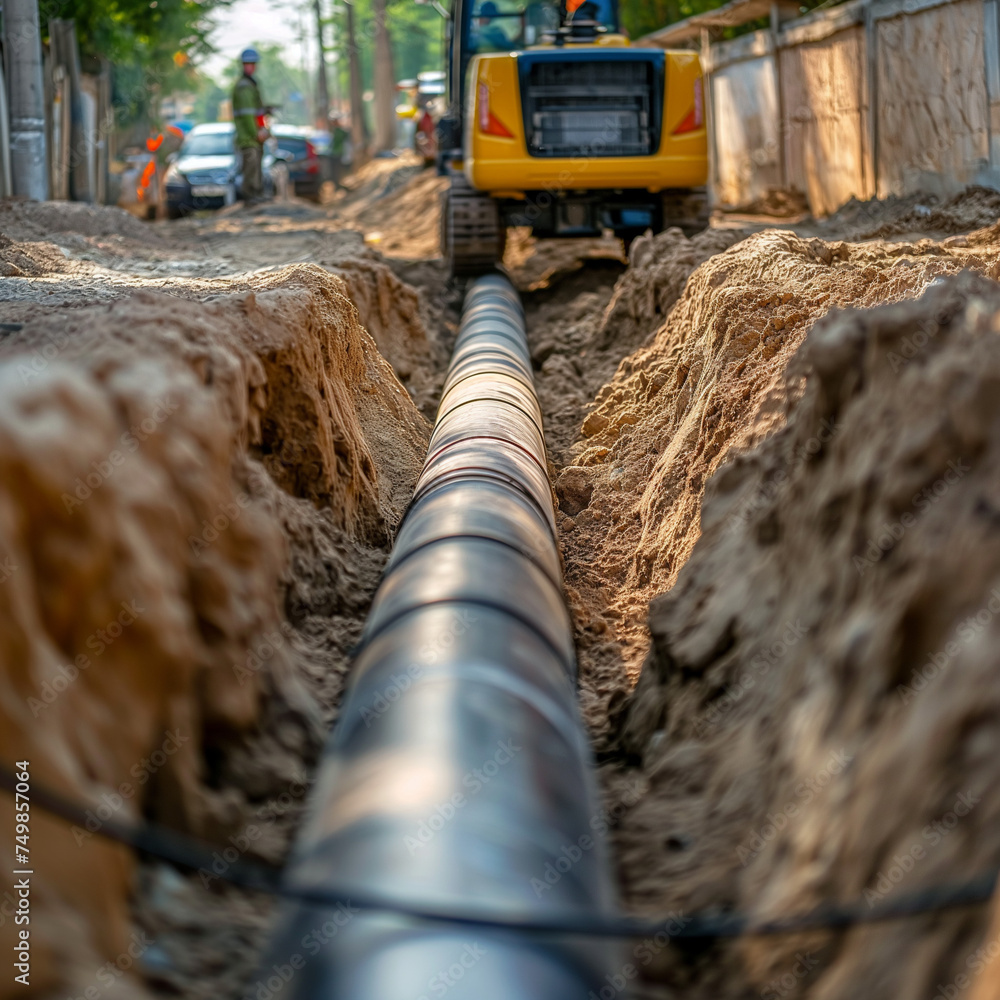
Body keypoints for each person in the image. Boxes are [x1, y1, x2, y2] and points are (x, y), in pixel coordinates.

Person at [232, 47, 269, 204]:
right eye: (247, 63)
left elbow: (255, 111)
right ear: (243, 65)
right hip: (247, 136)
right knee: (251, 163)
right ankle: (250, 196)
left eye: (253, 63)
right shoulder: (244, 86)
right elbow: (247, 114)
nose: (250, 67)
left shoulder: (251, 84)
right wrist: (256, 132)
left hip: (253, 134)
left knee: (257, 162)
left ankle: (257, 193)